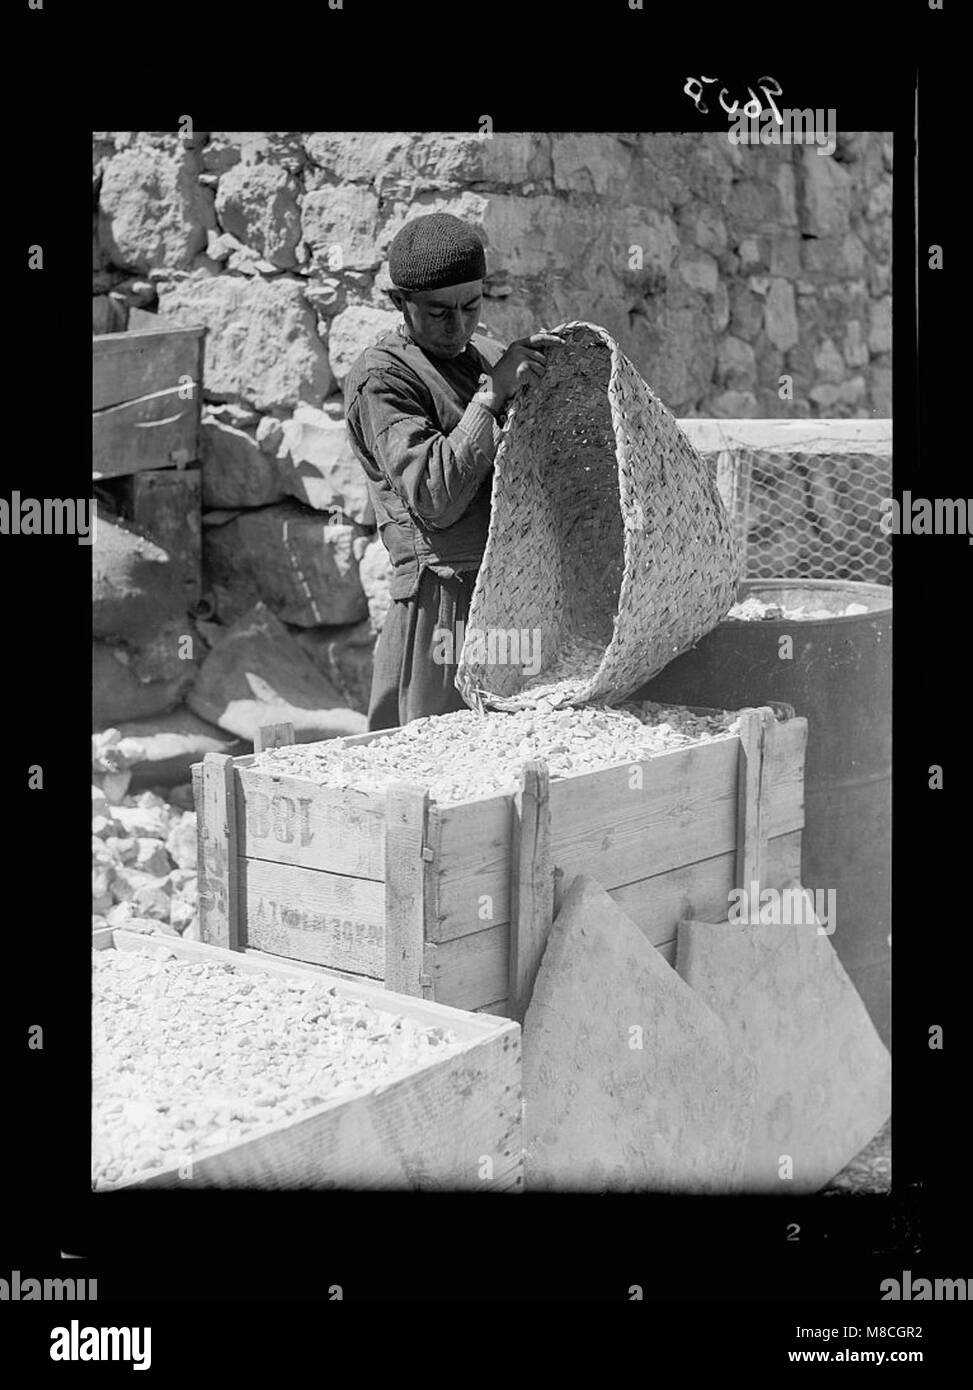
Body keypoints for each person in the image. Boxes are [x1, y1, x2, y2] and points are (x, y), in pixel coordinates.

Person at [344, 212, 562, 730]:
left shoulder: (489, 356)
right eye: (439, 312)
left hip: (512, 599)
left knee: (513, 764)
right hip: (441, 609)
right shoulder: (383, 377)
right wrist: (489, 401)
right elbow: (434, 496)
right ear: (401, 303)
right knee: (426, 766)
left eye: (471, 306)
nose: (459, 326)